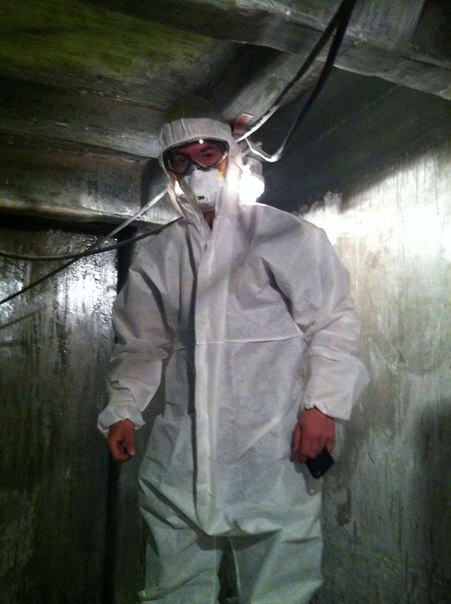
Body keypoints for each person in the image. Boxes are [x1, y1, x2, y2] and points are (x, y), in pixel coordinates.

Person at [98, 99, 369, 603]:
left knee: (278, 586)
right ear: (170, 172)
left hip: (271, 447)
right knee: (173, 586)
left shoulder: (284, 234)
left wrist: (323, 406)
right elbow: (141, 343)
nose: (197, 170)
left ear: (232, 157)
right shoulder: (160, 253)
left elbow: (332, 322)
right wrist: (123, 409)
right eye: (182, 160)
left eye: (208, 154)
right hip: (183, 453)